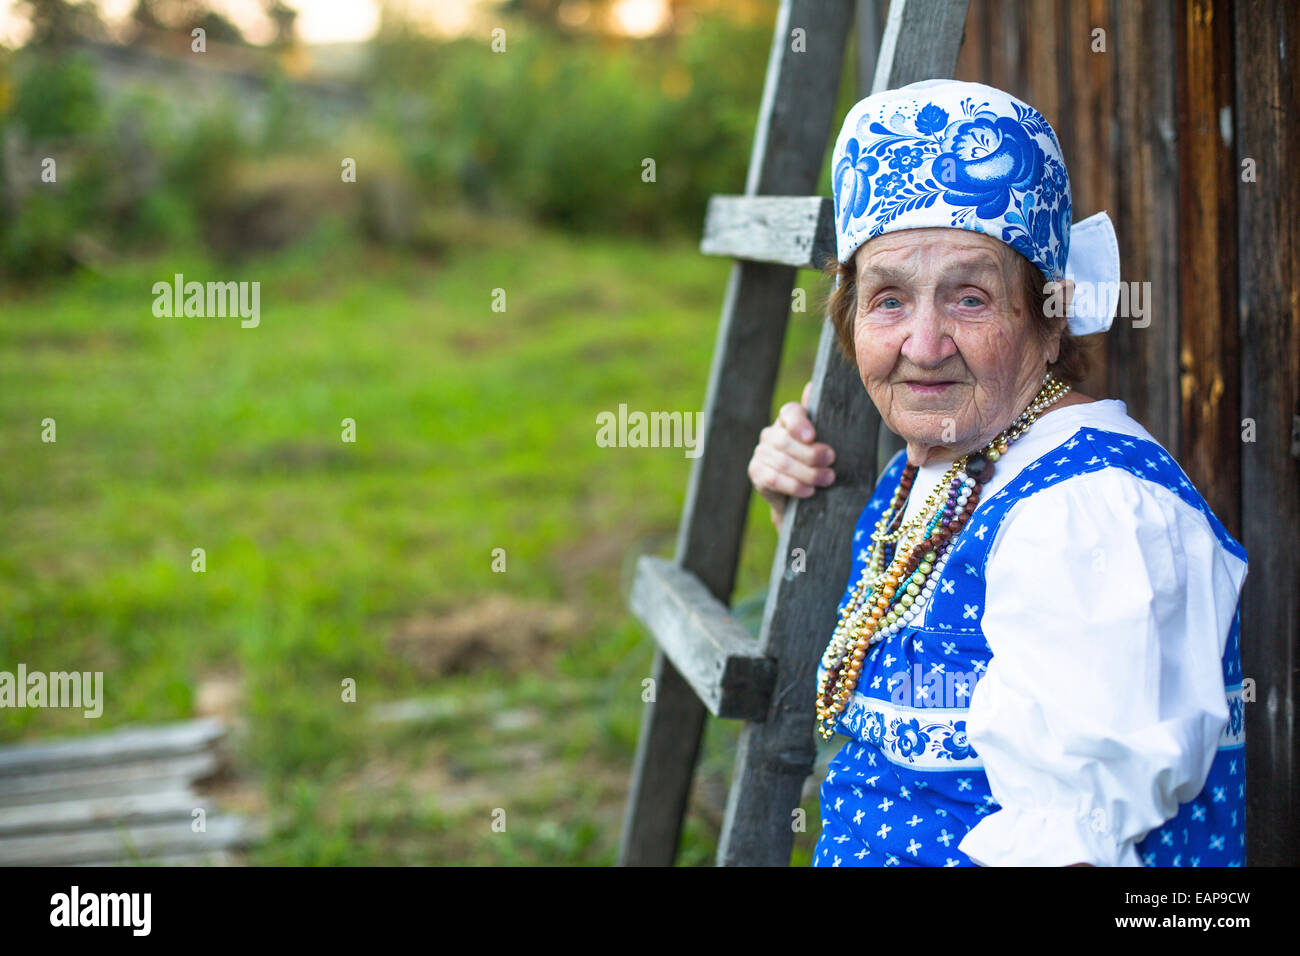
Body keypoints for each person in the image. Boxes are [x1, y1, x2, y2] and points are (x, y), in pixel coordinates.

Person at [748, 79, 1247, 867]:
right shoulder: (942, 470)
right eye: (887, 301)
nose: (923, 343)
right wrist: (797, 510)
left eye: (971, 299)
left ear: (1050, 319)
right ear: (849, 323)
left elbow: (1072, 846)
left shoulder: (1091, 511)